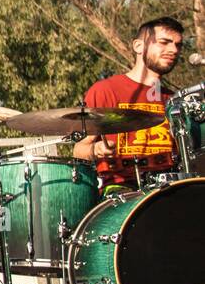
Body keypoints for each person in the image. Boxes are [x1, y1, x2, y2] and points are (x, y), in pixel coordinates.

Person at [73, 17, 184, 190]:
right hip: (121, 192)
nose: (174, 50)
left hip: (170, 189)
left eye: (178, 45)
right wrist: (96, 149)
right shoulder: (106, 90)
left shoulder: (175, 100)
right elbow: (78, 150)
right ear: (138, 46)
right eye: (164, 42)